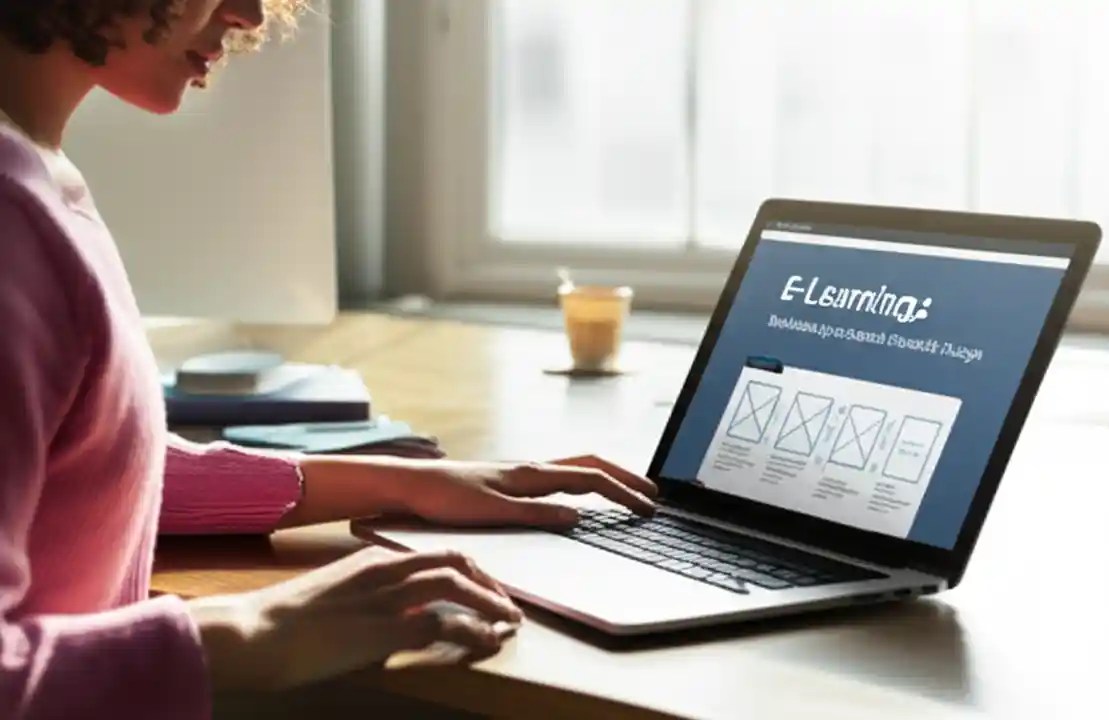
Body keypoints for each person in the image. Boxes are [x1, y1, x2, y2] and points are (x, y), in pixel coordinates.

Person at [0, 1, 658, 718]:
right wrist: (256, 628)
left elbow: (88, 466)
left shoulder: (33, 174)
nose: (250, 14)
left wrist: (400, 483)